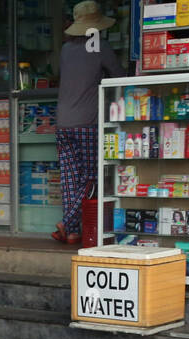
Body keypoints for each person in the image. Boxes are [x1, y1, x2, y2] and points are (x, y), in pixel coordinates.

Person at [53, 1, 125, 244]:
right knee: (90, 177)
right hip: (87, 123)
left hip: (63, 123)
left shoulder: (65, 50)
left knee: (70, 178)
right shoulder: (101, 48)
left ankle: (72, 232)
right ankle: (68, 223)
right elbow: (119, 78)